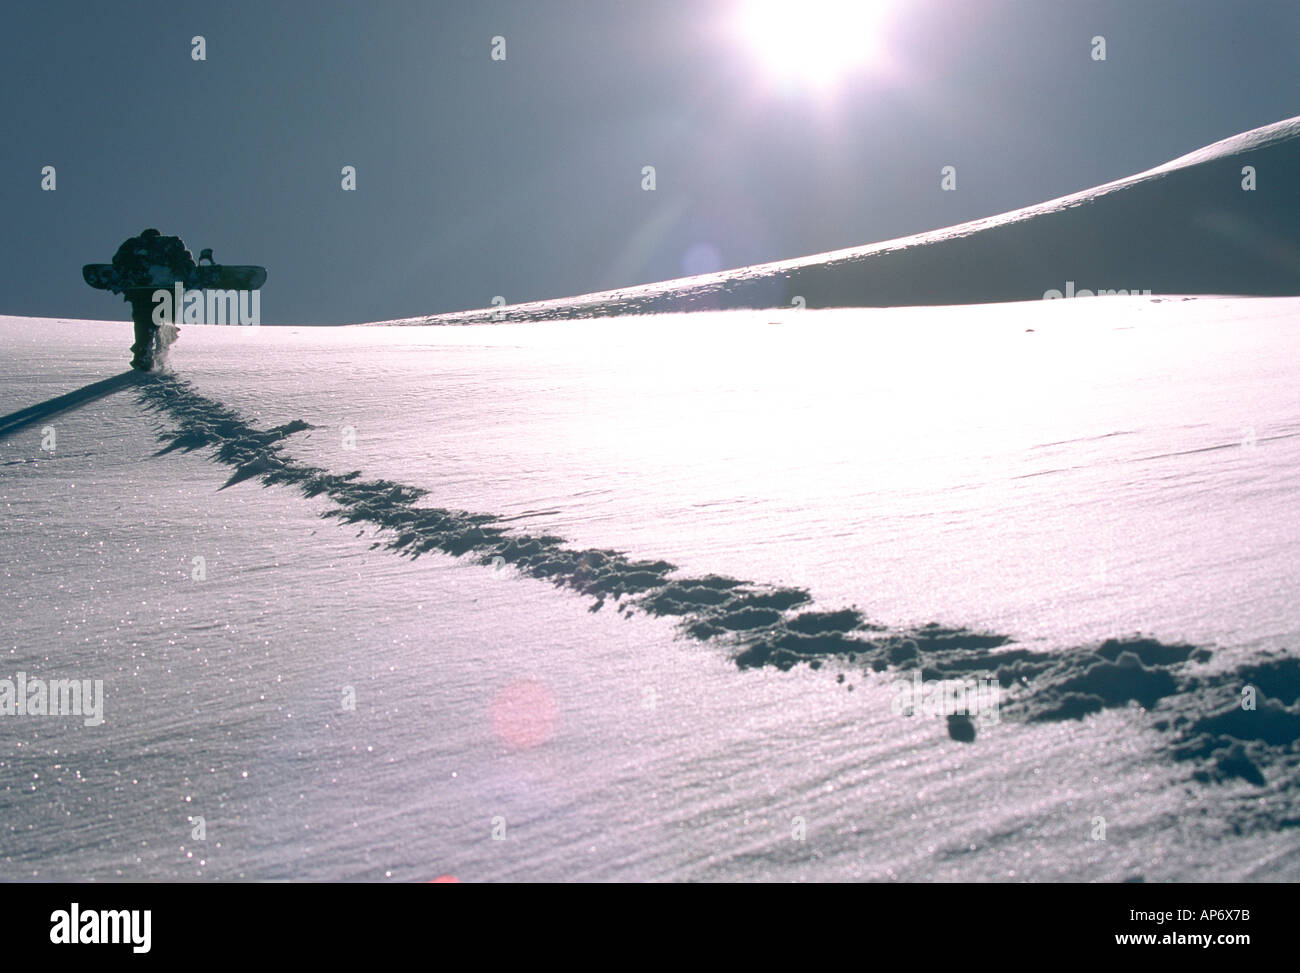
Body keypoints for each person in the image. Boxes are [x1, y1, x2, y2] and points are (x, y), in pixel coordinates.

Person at [111, 228, 197, 370]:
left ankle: (143, 354)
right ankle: (162, 351)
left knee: (143, 323)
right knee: (166, 321)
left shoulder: (133, 244)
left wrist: (121, 282)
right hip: (167, 290)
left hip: (142, 290)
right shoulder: (171, 243)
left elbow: (118, 262)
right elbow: (186, 262)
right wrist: (191, 278)